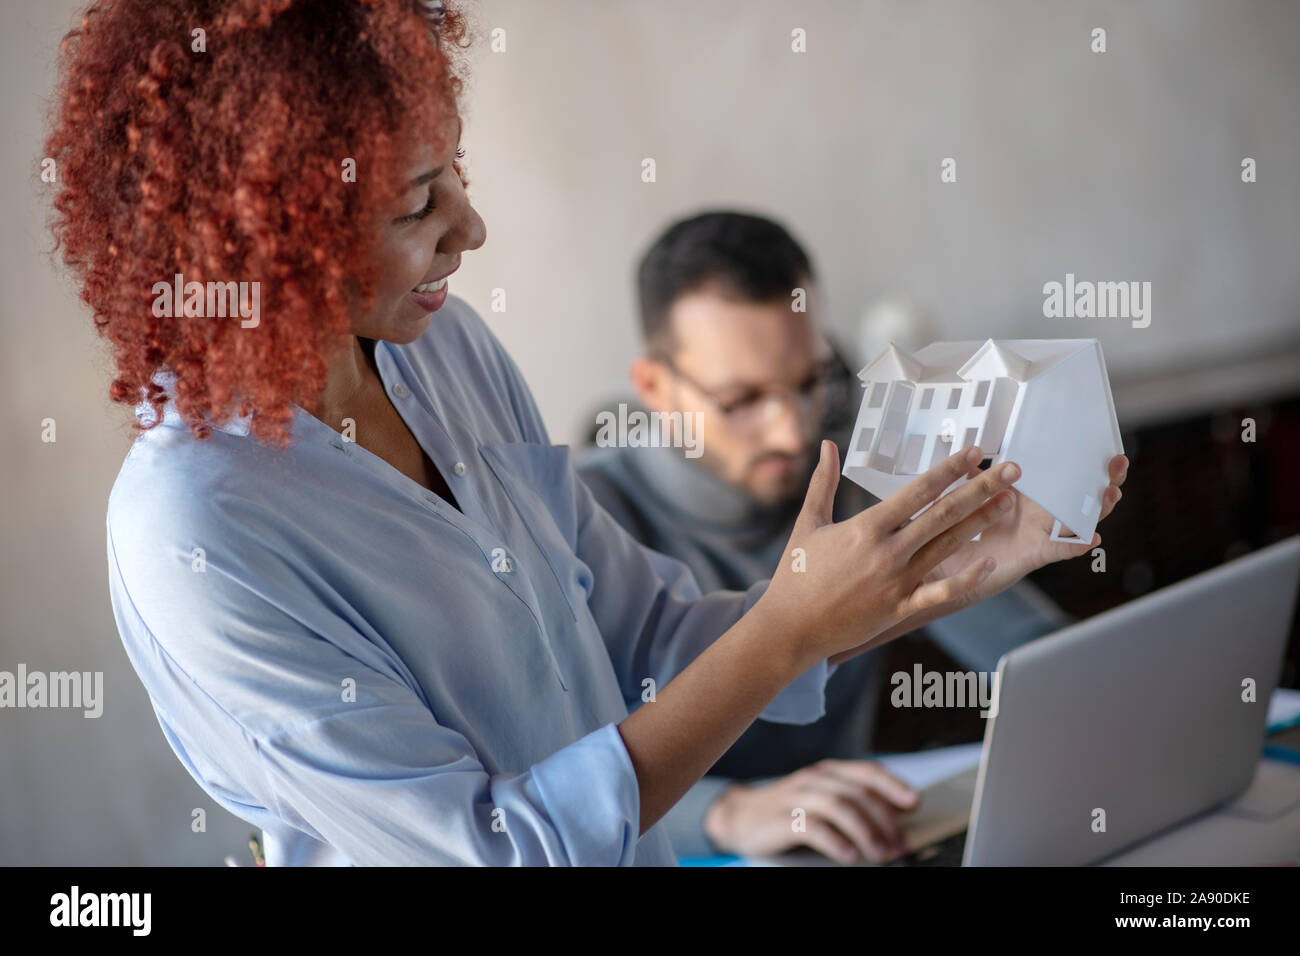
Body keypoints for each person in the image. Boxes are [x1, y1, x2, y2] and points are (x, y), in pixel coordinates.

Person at [44, 0, 1127, 866]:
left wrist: (943, 556)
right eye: (420, 204)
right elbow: (497, 846)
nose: (471, 228)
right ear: (276, 236)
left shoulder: (444, 352)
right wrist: (788, 630)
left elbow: (651, 643)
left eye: (454, 175)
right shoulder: (195, 525)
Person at [577, 210, 1075, 862]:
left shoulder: (855, 476)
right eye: (741, 399)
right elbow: (559, 776)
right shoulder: (581, 516)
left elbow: (1034, 657)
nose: (790, 433)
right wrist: (726, 812)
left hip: (861, 845)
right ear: (653, 387)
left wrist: (1004, 554)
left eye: (809, 382)